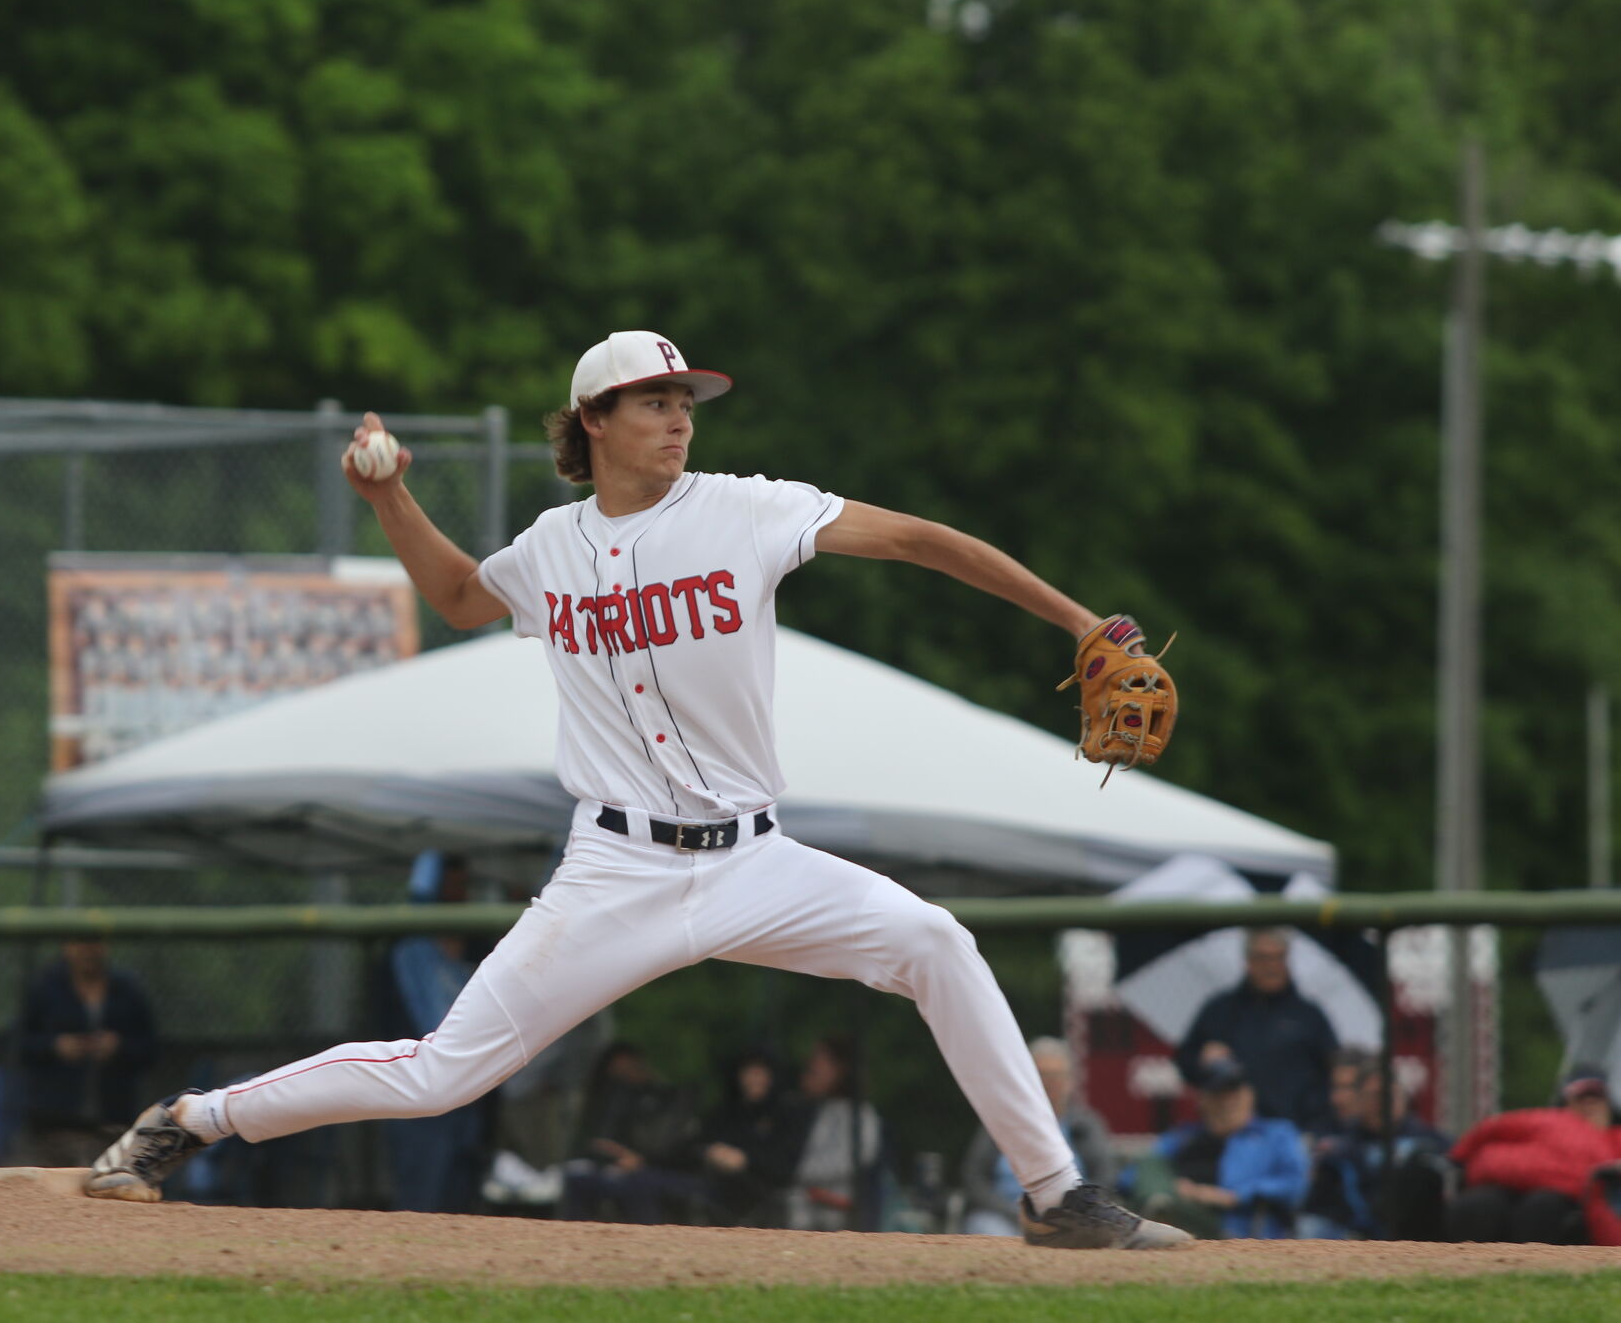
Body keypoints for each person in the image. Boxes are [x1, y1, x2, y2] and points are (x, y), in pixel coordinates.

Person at [83, 328, 1189, 1249]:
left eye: (684, 399)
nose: (676, 416)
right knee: (439, 1075)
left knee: (936, 943)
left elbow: (914, 539)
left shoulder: (747, 509)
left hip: (757, 861)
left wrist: (1076, 620)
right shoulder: (553, 547)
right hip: (614, 868)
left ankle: (1053, 1197)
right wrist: (391, 502)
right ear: (591, 426)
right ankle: (185, 1124)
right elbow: (465, 597)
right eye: (649, 399)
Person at [381, 851, 488, 1213]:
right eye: (451, 885)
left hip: (466, 1087)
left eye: (463, 886)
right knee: (422, 1193)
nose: (460, 894)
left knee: (461, 1191)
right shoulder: (410, 950)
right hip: (416, 1085)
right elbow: (431, 1019)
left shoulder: (472, 946)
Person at [1119, 1058, 1309, 1239]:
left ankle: (1162, 1210)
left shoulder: (1276, 1134)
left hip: (1230, 1226)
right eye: (1219, 1094)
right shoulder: (1184, 1136)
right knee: (1150, 1162)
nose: (1227, 1102)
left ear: (1250, 1095)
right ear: (1203, 1100)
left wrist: (1234, 1196)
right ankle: (1160, 1205)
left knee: (1162, 1200)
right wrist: (1175, 1187)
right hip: (1182, 1209)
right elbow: (1131, 1175)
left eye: (1234, 1092)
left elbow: (1295, 1184)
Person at [13, 937, 160, 1168]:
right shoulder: (46, 987)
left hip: (113, 1123)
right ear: (66, 946)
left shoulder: (127, 990)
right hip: (54, 1123)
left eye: (94, 943)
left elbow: (150, 1048)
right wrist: (55, 1046)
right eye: (79, 943)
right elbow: (18, 1045)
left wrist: (119, 1047)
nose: (87, 951)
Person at [1174, 927, 1339, 1130]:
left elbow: (1332, 1072)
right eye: (1262, 958)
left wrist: (1312, 1119)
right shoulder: (1220, 1010)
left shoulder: (1309, 1015)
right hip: (1231, 1131)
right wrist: (1202, 1060)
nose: (1271, 966)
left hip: (1293, 1128)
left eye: (1278, 957)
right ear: (1248, 962)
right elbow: (1185, 1061)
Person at [1445, 1064, 1621, 1246]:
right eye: (1580, 1099)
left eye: (1596, 1098)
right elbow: (1494, 1127)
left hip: (1566, 1194)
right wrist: (1458, 1156)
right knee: (1477, 1206)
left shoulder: (1616, 1137)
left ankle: (1526, 1269)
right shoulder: (1546, 1119)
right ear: (1565, 1103)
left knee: (1541, 1207)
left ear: (1609, 1105)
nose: (1588, 1105)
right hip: (1501, 1180)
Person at [962, 1037, 1113, 1236]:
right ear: (1027, 1079)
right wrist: (1013, 1213)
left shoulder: (1086, 1126)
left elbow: (1106, 1177)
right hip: (1005, 1220)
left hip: (1073, 1222)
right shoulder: (1000, 1120)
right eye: (1042, 1075)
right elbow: (974, 1176)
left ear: (1070, 1082)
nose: (1050, 1084)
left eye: (1056, 1076)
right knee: (986, 1228)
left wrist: (1077, 1213)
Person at [1300, 1056, 1451, 1240]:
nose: (1382, 1104)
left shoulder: (1429, 1142)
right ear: (1359, 1099)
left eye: (1389, 1095)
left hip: (1417, 1236)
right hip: (1353, 1235)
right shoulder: (1340, 1149)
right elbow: (1317, 1207)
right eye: (1375, 1096)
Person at [557, 1041, 703, 1223]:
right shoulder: (614, 1100)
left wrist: (641, 1160)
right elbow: (599, 1143)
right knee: (577, 1177)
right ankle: (576, 1235)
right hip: (616, 1166)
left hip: (657, 1169)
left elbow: (678, 1148)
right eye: (617, 1071)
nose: (624, 1075)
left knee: (636, 1182)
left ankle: (645, 1239)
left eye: (628, 1068)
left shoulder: (667, 1101)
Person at [693, 1047, 807, 1226]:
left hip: (763, 1193)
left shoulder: (788, 1114)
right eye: (748, 1072)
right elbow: (697, 1144)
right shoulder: (724, 1112)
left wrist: (744, 1160)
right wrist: (712, 1153)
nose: (754, 1079)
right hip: (714, 1186)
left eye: (760, 1072)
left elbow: (785, 1166)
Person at [784, 1035, 886, 1232]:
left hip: (837, 1207)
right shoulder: (814, 1109)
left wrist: (795, 1173)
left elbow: (852, 1160)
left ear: (840, 1069)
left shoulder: (861, 1115)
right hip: (804, 1200)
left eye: (820, 1059)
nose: (811, 1065)